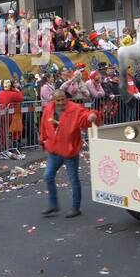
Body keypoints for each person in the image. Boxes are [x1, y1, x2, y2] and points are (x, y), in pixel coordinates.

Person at [39, 89, 100, 218]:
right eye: (58, 100)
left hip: (69, 150)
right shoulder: (48, 109)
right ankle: (53, 204)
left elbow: (85, 115)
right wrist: (42, 140)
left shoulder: (74, 108)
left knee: (73, 179)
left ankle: (75, 207)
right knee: (48, 176)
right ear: (53, 100)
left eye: (62, 99)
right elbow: (44, 126)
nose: (61, 102)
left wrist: (92, 116)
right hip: (54, 150)